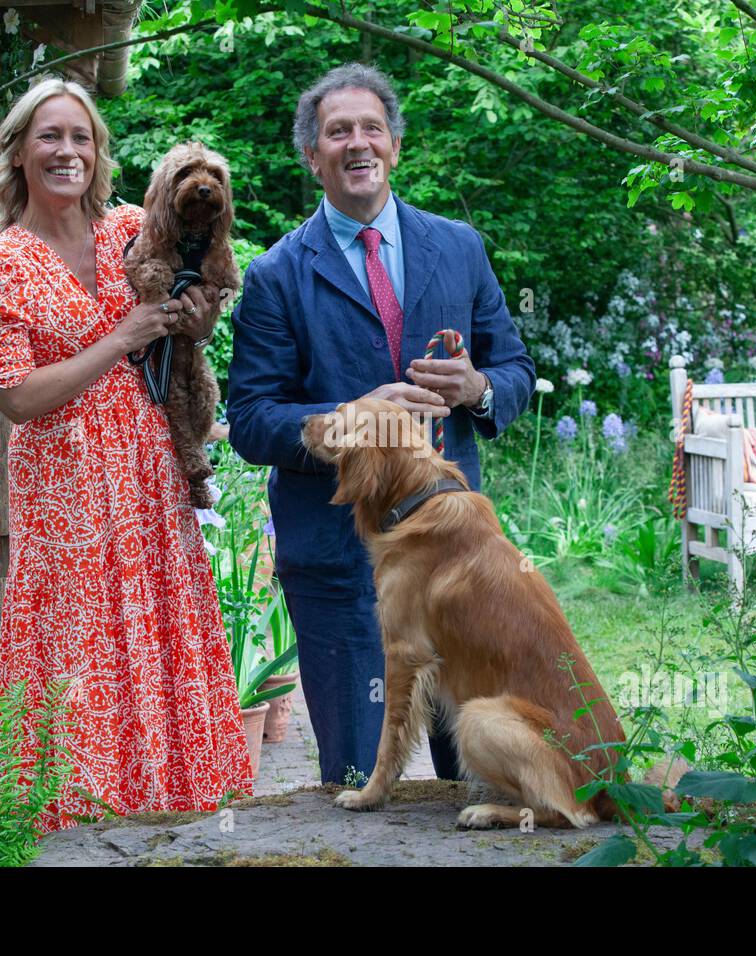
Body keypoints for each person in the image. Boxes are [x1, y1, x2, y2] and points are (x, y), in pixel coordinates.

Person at [0, 76, 253, 832]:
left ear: (99, 153)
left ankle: (180, 821)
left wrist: (194, 314)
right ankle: (80, 829)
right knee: (77, 651)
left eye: (81, 138)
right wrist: (120, 336)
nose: (67, 151)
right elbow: (15, 395)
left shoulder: (133, 230)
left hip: (152, 475)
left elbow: (202, 299)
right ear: (18, 152)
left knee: (158, 634)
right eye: (50, 136)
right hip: (64, 489)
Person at [226, 63, 536, 785]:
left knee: (484, 779)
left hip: (459, 562)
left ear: (394, 144)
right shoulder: (276, 275)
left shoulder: (458, 247)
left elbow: (515, 372)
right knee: (363, 787)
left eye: (372, 128)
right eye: (339, 132)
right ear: (313, 157)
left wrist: (478, 387)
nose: (357, 143)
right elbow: (250, 420)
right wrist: (349, 418)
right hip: (341, 563)